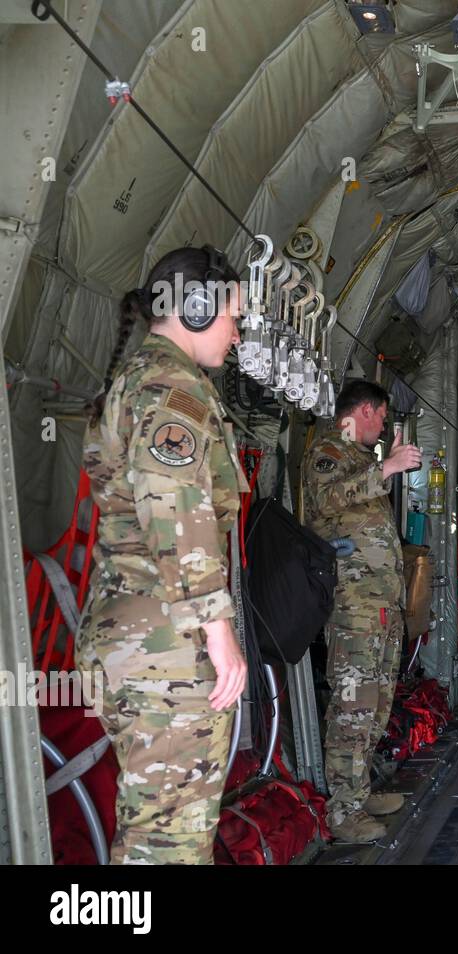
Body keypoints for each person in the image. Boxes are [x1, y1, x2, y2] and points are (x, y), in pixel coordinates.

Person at [78, 246, 249, 864]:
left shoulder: (143, 379)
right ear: (196, 309)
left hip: (139, 639)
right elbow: (173, 507)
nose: (237, 331)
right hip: (164, 650)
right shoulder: (170, 387)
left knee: (161, 831)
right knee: (169, 843)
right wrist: (217, 628)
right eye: (233, 315)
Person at [302, 379, 422, 842]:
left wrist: (382, 466)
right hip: (353, 609)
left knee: (375, 705)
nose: (384, 424)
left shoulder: (360, 460)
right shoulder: (327, 452)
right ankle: (343, 812)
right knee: (353, 706)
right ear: (366, 411)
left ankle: (359, 789)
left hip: (379, 607)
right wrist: (387, 468)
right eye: (383, 415)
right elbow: (324, 500)